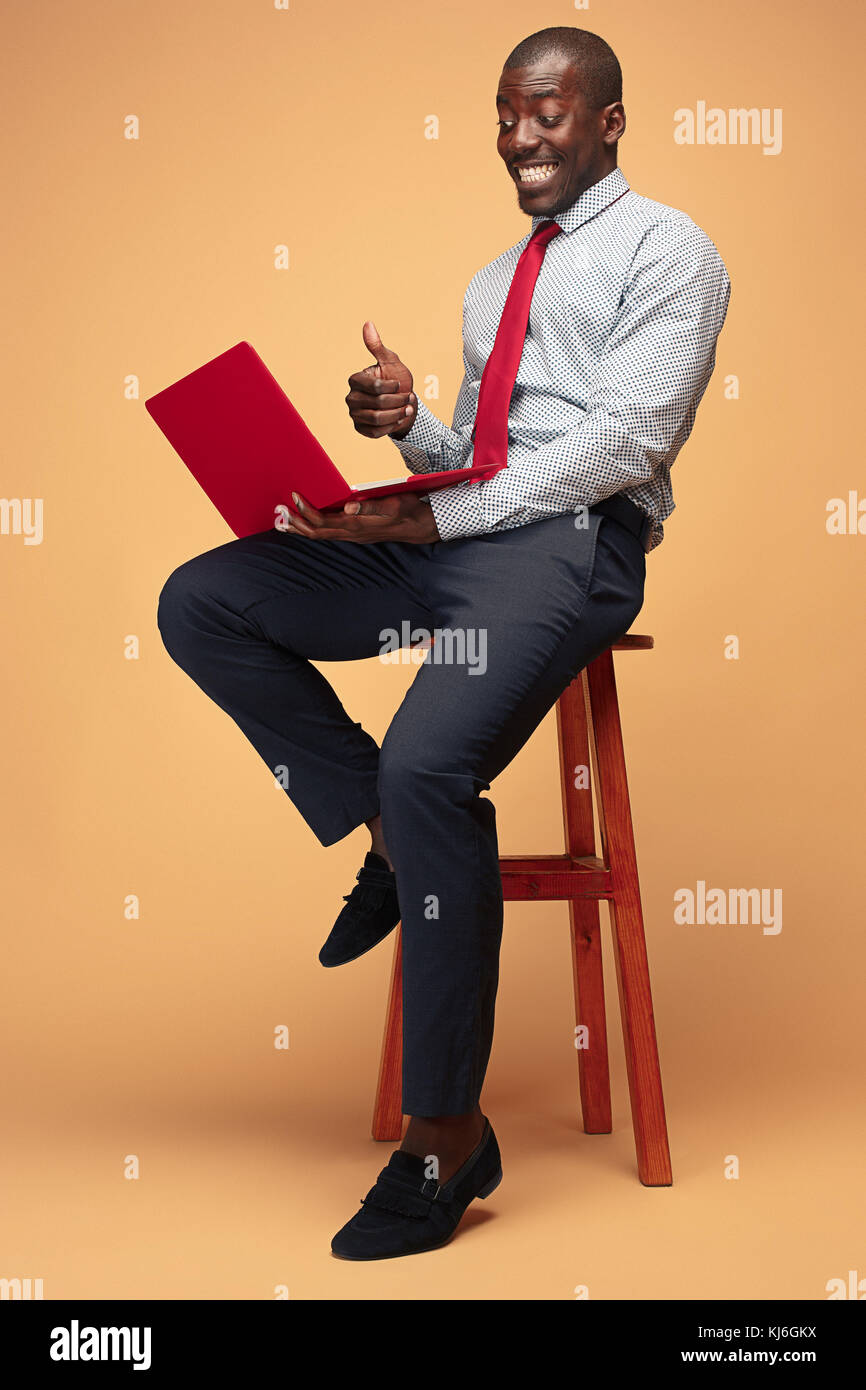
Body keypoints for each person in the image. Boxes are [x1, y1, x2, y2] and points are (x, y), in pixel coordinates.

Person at [156, 25, 731, 1260]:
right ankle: (379, 828)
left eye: (546, 113)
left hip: (572, 551)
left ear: (607, 122)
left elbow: (623, 444)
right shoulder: (489, 282)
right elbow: (479, 456)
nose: (519, 137)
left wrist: (442, 506)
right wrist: (410, 430)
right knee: (204, 598)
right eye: (504, 114)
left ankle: (443, 1135)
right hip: (461, 541)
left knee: (433, 772)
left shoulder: (667, 250)